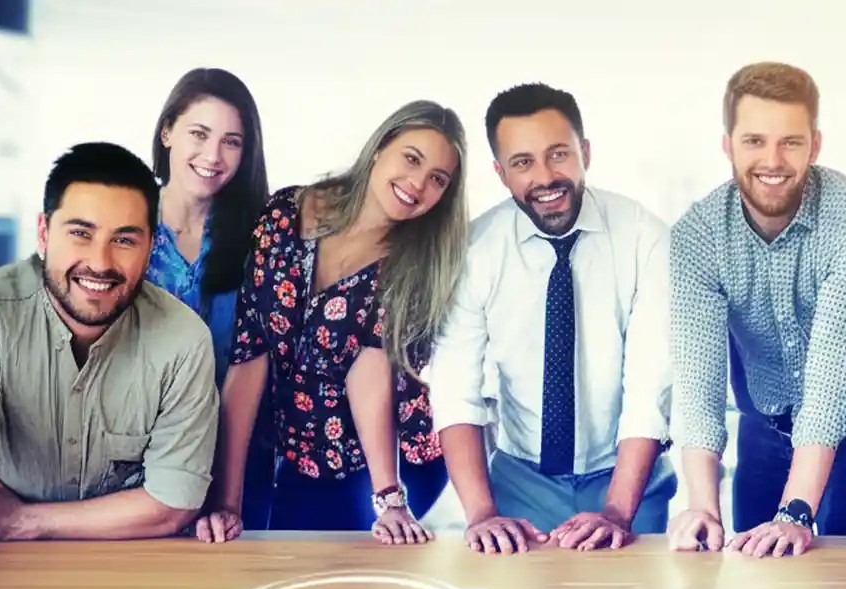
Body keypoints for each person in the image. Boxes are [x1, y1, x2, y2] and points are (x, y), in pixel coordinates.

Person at [194, 100, 468, 543]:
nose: (418, 184)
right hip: (303, 448)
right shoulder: (284, 213)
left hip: (394, 457)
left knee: (339, 585)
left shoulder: (415, 268)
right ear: (380, 148)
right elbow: (251, 352)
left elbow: (371, 374)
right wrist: (228, 499)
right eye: (412, 158)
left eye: (438, 179)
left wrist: (390, 499)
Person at [430, 82, 674, 555]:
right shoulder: (476, 250)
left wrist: (617, 511)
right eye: (523, 163)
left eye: (558, 154)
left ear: (585, 152)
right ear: (501, 173)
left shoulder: (645, 237)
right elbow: (456, 389)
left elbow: (650, 384)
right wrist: (482, 514)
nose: (545, 176)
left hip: (629, 477)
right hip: (519, 483)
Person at [667, 61, 846, 559]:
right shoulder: (697, 237)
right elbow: (698, 383)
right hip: (762, 430)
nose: (773, 159)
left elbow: (829, 386)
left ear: (816, 144)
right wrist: (702, 505)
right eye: (754, 141)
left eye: (791, 141)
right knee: (749, 575)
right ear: (728, 145)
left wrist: (795, 512)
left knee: (836, 581)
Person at [0, 142, 217, 545]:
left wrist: (22, 521)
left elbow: (173, 503)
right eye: (81, 233)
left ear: (150, 247)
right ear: (44, 233)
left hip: (132, 563)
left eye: (124, 240)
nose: (100, 263)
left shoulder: (183, 340)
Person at [146, 67, 279, 531]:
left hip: (238, 460)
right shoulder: (124, 222)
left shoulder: (263, 234)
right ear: (167, 132)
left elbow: (250, 365)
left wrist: (228, 498)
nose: (213, 155)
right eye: (199, 134)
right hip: (132, 462)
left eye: (232, 142)